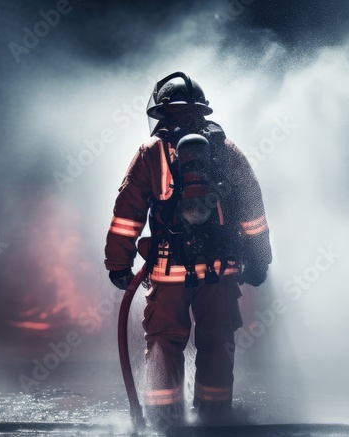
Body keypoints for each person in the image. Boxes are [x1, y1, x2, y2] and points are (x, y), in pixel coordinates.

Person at [104, 72, 272, 427]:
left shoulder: (151, 154)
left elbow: (126, 215)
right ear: (202, 111)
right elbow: (252, 209)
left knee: (165, 342)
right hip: (220, 271)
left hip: (169, 270)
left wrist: (119, 264)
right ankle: (215, 421)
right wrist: (259, 260)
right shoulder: (227, 151)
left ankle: (166, 423)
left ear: (162, 113)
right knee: (217, 342)